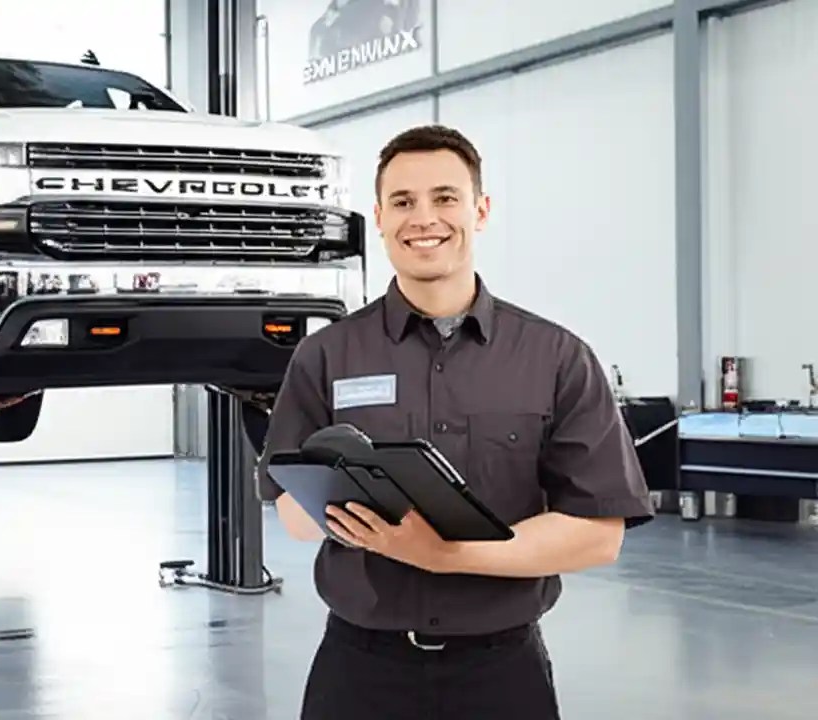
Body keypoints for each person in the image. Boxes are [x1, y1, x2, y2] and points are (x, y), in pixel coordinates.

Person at [255, 124, 654, 720]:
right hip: (359, 671)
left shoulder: (556, 357)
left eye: (445, 198)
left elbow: (599, 534)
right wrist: (357, 511)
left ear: (480, 210)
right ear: (379, 218)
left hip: (501, 674)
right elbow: (292, 508)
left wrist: (444, 553)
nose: (424, 219)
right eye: (402, 202)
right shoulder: (326, 356)